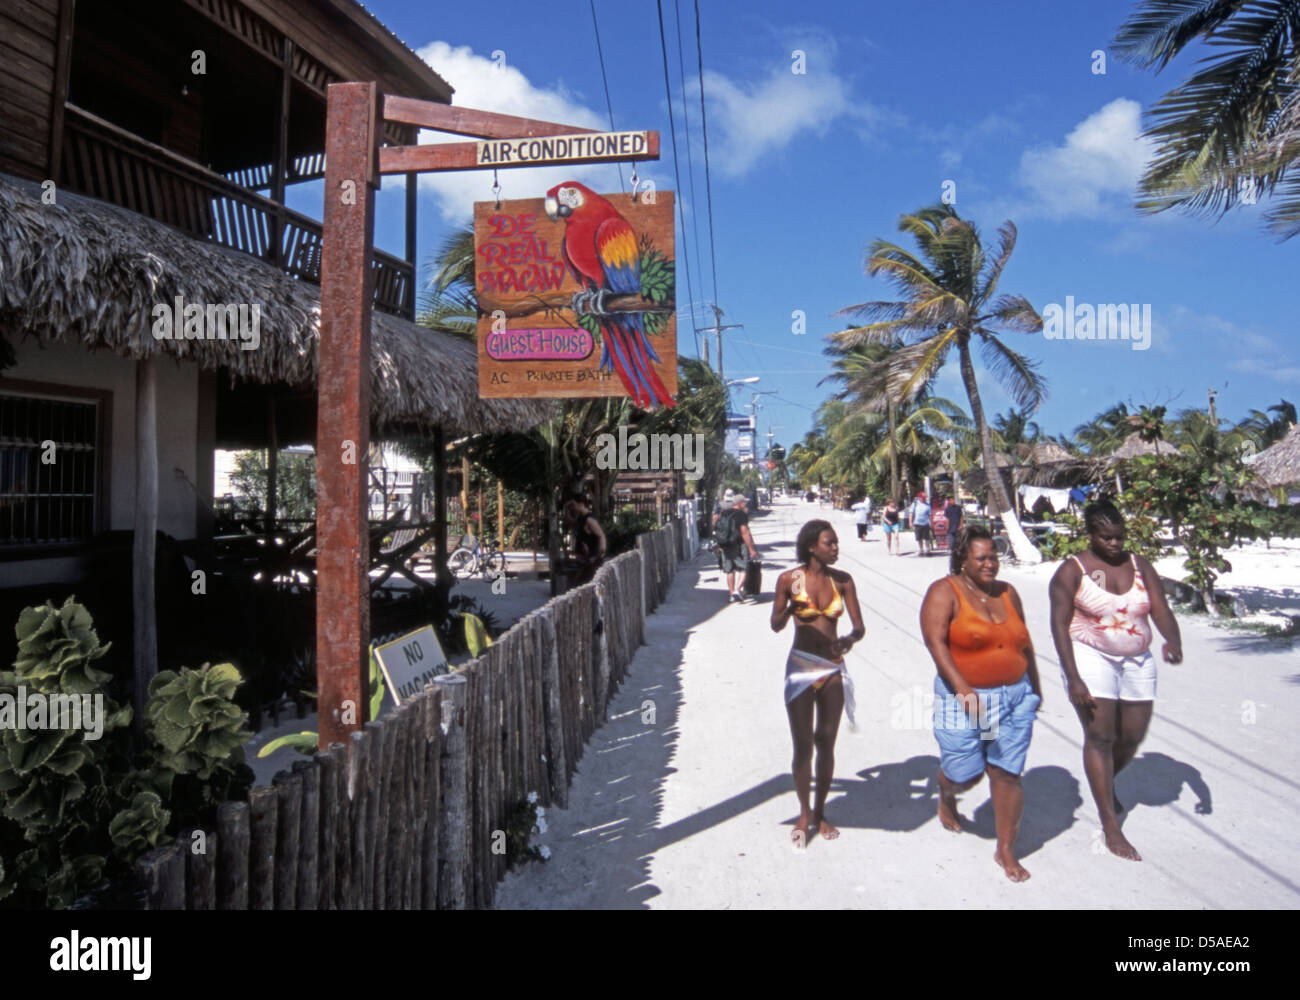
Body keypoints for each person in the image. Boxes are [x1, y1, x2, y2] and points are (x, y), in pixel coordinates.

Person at [1048, 499, 1183, 862]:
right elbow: (1059, 626)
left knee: (1131, 737)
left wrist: (1173, 639)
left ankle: (1103, 781)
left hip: (1137, 658)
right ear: (1090, 535)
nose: (1114, 544)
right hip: (1090, 656)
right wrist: (1073, 676)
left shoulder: (1140, 565)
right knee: (1101, 736)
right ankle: (1111, 824)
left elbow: (1160, 608)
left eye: (1119, 537)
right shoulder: (1071, 571)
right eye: (1106, 538)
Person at [920, 525, 1043, 882]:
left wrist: (1034, 687)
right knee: (966, 773)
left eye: (994, 556)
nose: (990, 564)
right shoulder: (945, 591)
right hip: (968, 699)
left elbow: (1024, 642)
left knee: (1006, 772)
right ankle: (946, 792)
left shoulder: (1008, 593)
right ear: (962, 560)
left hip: (1014, 698)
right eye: (981, 558)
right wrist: (963, 689)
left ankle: (1005, 848)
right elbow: (935, 643)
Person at [771, 520, 865, 847]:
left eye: (836, 543)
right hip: (799, 665)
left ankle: (821, 811)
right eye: (830, 543)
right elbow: (775, 625)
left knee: (826, 741)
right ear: (812, 547)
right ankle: (803, 811)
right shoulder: (789, 580)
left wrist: (849, 641)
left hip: (832, 667)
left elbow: (858, 627)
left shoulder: (844, 581)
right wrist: (789, 609)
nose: (835, 548)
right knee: (803, 747)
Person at [714, 492, 759, 603]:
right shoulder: (741, 515)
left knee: (730, 570)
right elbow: (744, 532)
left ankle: (731, 594)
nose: (746, 504)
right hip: (739, 544)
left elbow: (715, 523)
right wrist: (751, 549)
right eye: (744, 502)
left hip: (726, 544)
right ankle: (737, 590)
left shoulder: (724, 513)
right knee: (744, 568)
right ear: (739, 503)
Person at [562, 494, 605, 589]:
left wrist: (599, 556)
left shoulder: (589, 519)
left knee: (582, 587)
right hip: (582, 560)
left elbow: (601, 536)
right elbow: (570, 523)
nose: (573, 507)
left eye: (574, 505)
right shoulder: (581, 518)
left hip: (589, 560)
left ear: (581, 504)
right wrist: (565, 509)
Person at [909, 491, 933, 556]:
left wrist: (931, 522)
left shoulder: (927, 505)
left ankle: (928, 550)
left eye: (924, 498)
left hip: (925, 523)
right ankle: (921, 550)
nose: (923, 499)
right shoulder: (915, 504)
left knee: (926, 538)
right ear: (919, 497)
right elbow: (911, 513)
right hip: (917, 523)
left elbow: (930, 515)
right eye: (922, 498)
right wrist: (910, 522)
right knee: (919, 538)